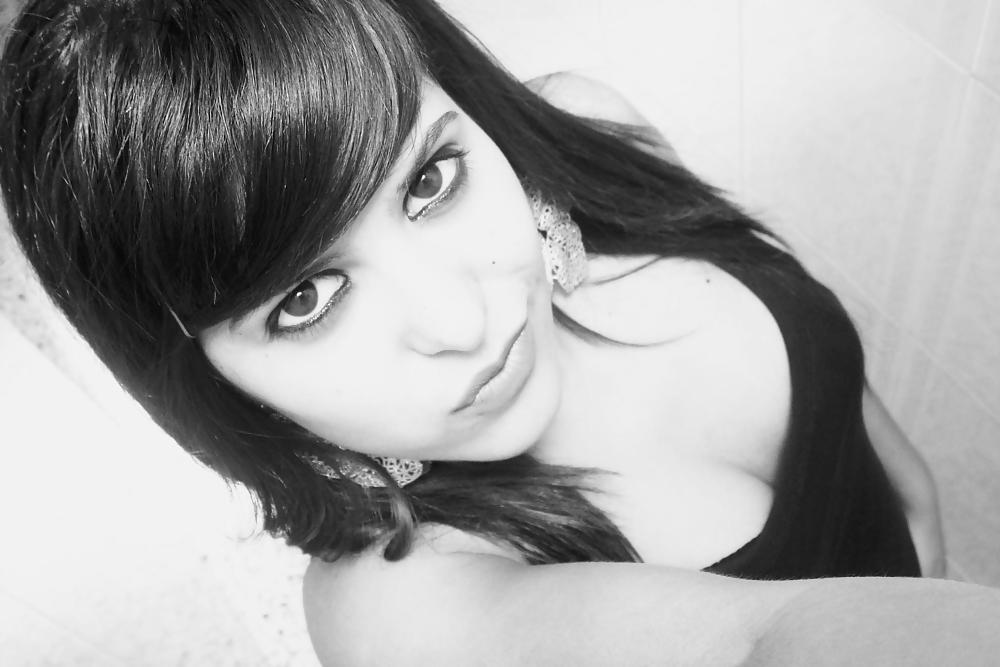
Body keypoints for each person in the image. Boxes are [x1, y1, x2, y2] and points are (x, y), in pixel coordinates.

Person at [3, 0, 996, 665]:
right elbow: (758, 645)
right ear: (206, 378)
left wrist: (935, 547)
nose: (463, 320)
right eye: (305, 299)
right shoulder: (399, 604)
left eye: (429, 181)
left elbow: (870, 441)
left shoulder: (584, 132)